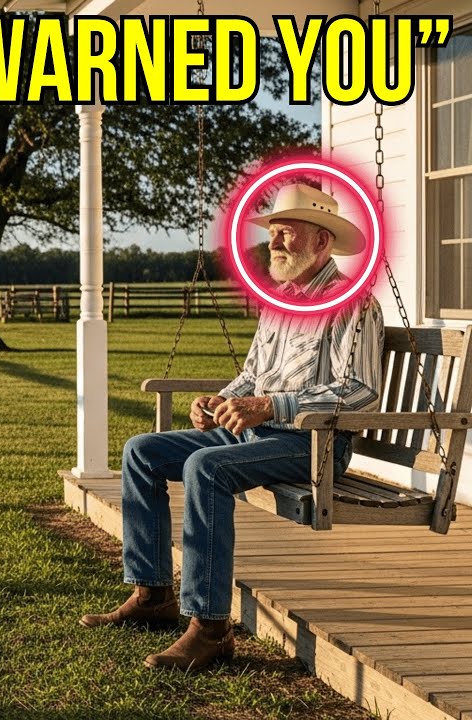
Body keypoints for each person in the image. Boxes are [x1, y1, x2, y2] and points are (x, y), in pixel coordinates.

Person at [78, 183, 385, 672]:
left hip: (313, 444)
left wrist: (270, 404)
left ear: (322, 241)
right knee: (141, 451)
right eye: (274, 233)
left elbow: (361, 390)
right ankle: (152, 593)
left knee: (205, 466)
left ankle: (211, 628)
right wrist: (222, 398)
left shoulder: (354, 304)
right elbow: (251, 373)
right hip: (255, 433)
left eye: (287, 233)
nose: (275, 244)